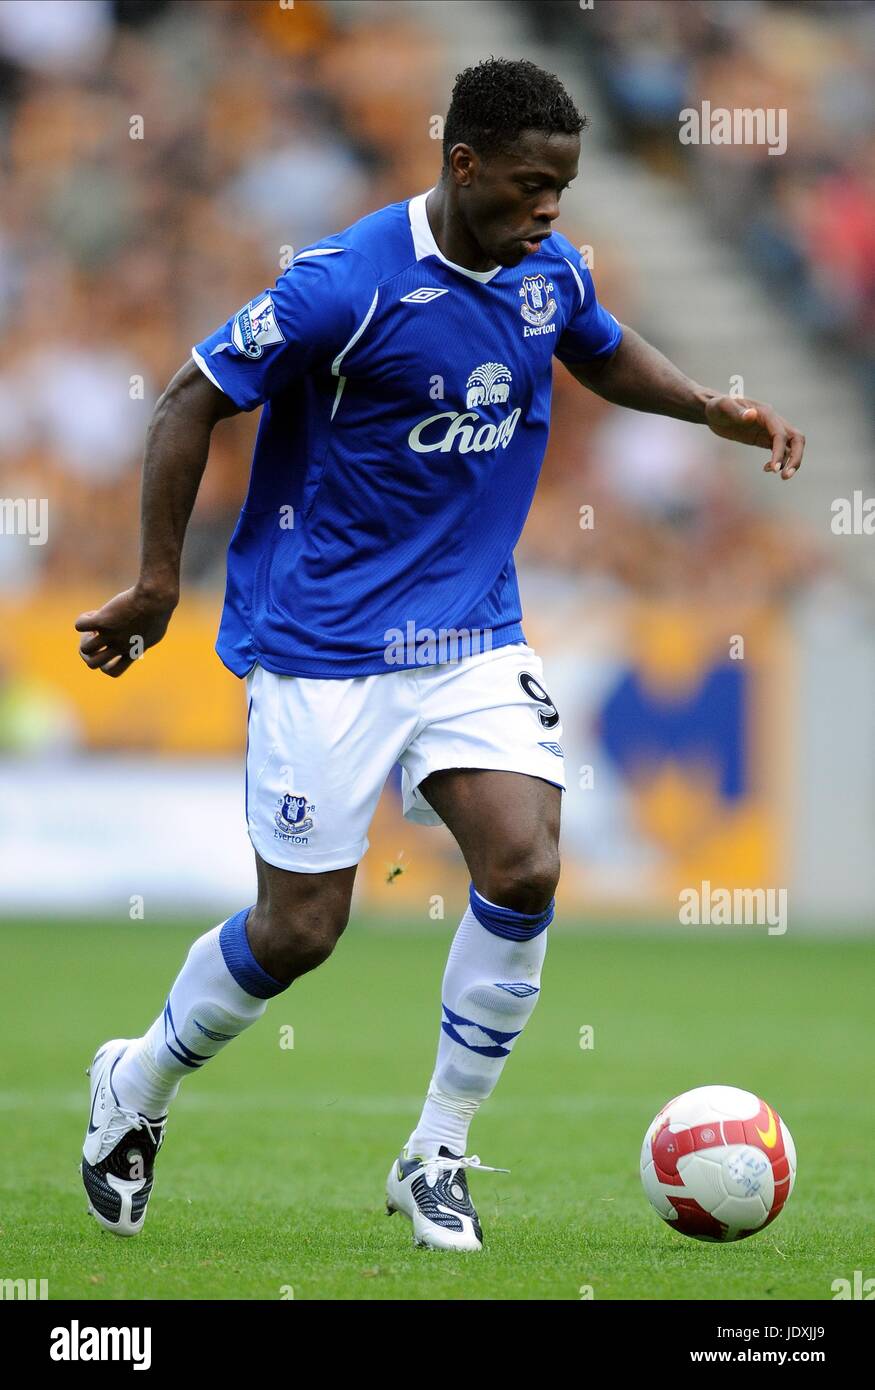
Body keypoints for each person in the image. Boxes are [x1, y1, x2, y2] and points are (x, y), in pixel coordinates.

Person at [75, 58, 804, 1252]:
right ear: (461, 164)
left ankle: (437, 1151)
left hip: (469, 635)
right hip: (321, 648)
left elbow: (600, 346)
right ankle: (137, 1082)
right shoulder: (344, 284)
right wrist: (159, 582)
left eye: (562, 186)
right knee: (300, 932)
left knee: (520, 864)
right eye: (529, 184)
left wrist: (706, 409)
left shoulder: (545, 270)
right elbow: (184, 400)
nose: (549, 209)